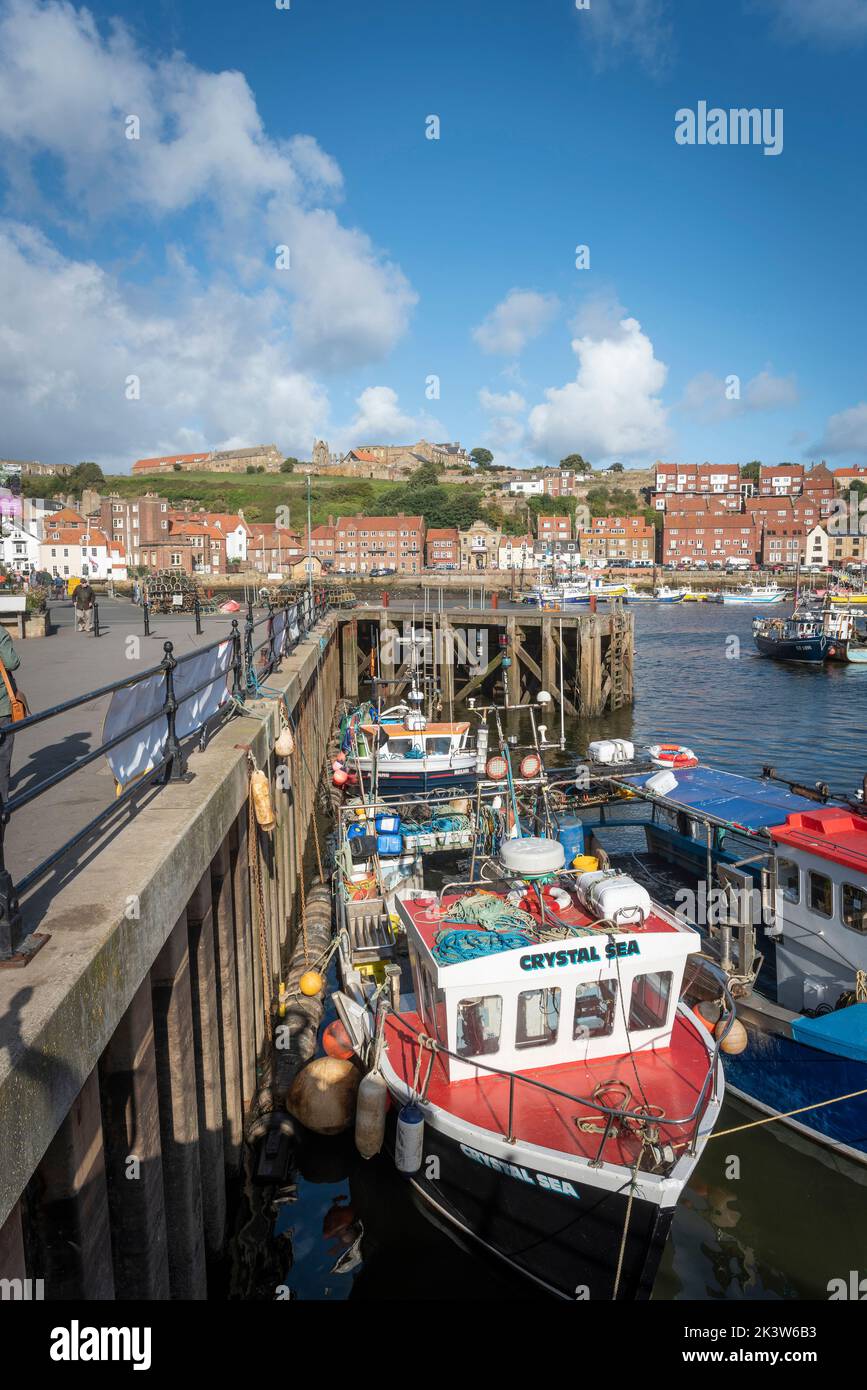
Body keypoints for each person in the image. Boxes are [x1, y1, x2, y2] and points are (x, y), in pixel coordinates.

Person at [0, 625, 21, 808]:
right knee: (3, 753)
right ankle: (3, 799)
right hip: (2, 707)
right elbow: (12, 662)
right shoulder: (0, 634)